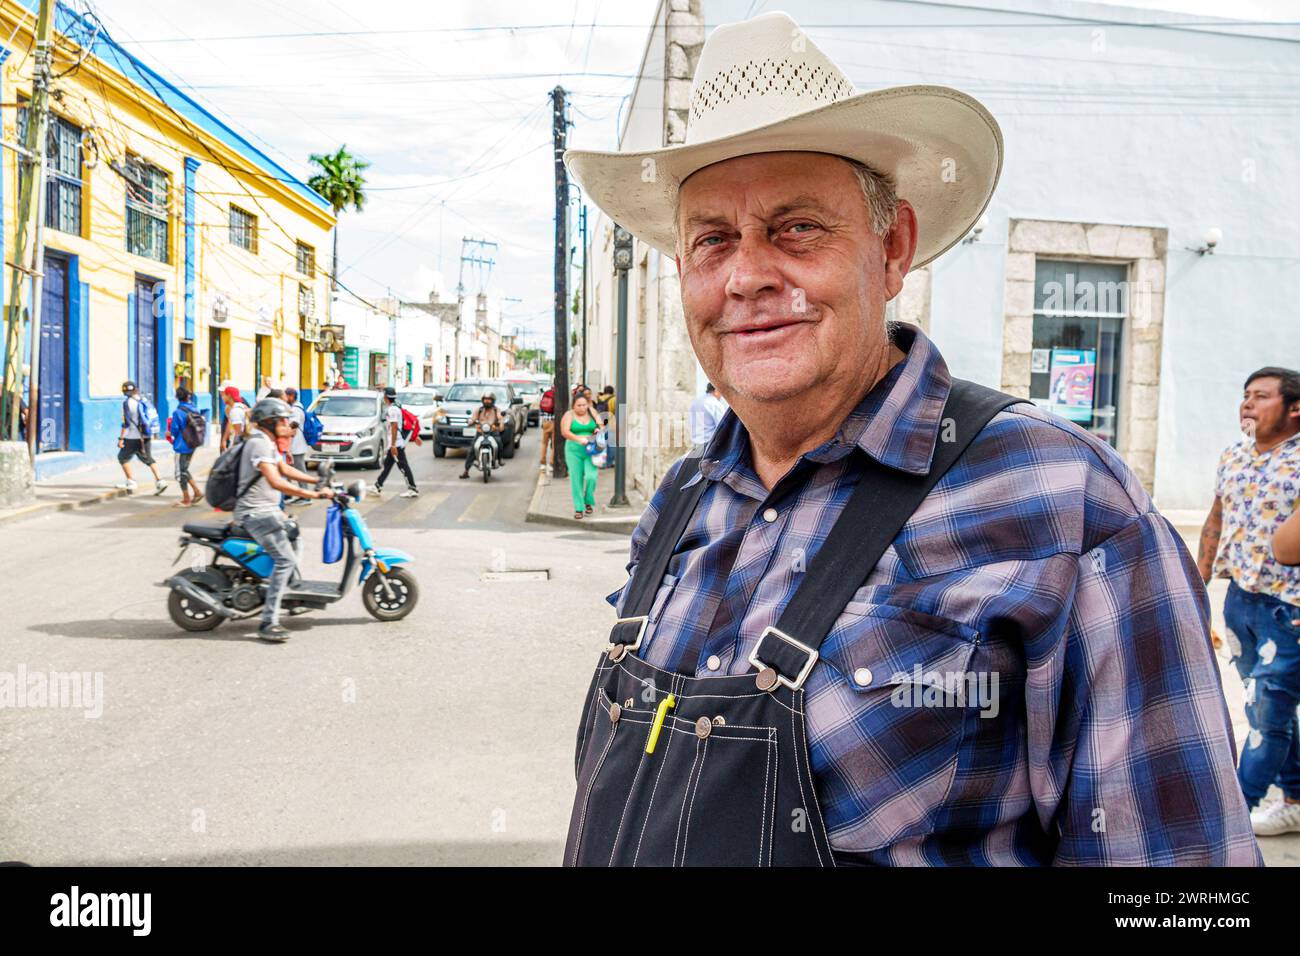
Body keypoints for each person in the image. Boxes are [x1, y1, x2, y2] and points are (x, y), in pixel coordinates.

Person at [559, 12, 1257, 866]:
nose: (746, 276)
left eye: (796, 228)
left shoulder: (1064, 500)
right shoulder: (683, 499)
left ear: (893, 250)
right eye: (713, 240)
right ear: (684, 273)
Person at [1198, 366, 1300, 837]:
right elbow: (1216, 517)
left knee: (1267, 708)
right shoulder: (1235, 456)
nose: (1248, 404)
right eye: (1245, 396)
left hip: (1290, 608)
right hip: (1241, 599)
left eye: (1261, 397)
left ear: (1294, 407)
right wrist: (1196, 583)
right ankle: (1296, 797)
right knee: (1264, 706)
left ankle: (1233, 814)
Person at [234, 398, 334, 642]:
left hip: (268, 511)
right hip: (256, 513)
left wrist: (317, 481)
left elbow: (286, 469)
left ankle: (288, 594)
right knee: (285, 559)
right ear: (269, 422)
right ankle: (268, 621)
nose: (287, 424)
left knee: (295, 537)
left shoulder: (266, 443)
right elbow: (276, 480)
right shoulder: (258, 444)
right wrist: (314, 494)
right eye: (282, 420)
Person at [116, 380, 166, 495]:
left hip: (133, 437)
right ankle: (160, 481)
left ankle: (131, 481)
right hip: (146, 435)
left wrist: (121, 438)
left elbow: (126, 423)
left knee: (122, 458)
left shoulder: (127, 403)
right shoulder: (143, 400)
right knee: (148, 458)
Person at [559, 393, 601, 519]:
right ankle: (579, 507)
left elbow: (602, 425)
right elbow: (565, 432)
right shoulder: (569, 415)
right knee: (576, 479)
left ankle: (588, 500)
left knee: (591, 477)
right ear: (573, 405)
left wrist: (598, 430)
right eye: (579, 405)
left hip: (591, 450)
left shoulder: (592, 412)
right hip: (574, 450)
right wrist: (579, 439)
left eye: (584, 405)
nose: (582, 408)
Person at [373, 386, 419, 497]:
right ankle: (378, 485)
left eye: (384, 396)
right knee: (387, 465)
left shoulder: (392, 410)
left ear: (386, 397)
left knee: (403, 467)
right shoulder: (396, 407)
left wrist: (393, 445)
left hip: (396, 444)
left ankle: (412, 488)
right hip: (395, 443)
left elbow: (394, 427)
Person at [166, 386, 203, 506]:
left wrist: (169, 433)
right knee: (184, 469)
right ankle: (196, 492)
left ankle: (187, 497)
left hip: (182, 444)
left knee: (182, 471)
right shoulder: (194, 409)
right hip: (193, 442)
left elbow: (174, 430)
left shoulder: (177, 412)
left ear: (177, 397)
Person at [459, 391, 506, 479]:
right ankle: (466, 471)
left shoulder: (496, 409)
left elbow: (500, 418)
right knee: (472, 449)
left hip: (493, 431)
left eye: (489, 400)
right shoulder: (479, 410)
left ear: (493, 401)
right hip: (481, 432)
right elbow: (473, 418)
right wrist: (470, 421)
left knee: (499, 442)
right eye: (485, 399)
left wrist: (501, 423)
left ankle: (499, 459)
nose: (487, 401)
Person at [221, 385, 248, 451]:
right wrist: (224, 439)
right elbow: (230, 423)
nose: (222, 397)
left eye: (224, 395)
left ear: (229, 396)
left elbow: (238, 432)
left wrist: (233, 449)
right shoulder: (233, 408)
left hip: (239, 445)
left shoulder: (235, 411)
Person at [537, 385, 557, 472]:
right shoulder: (557, 395)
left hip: (545, 422)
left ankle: (542, 463)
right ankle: (551, 463)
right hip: (554, 422)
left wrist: (542, 421)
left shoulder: (546, 394)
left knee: (544, 443)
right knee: (554, 444)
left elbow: (541, 408)